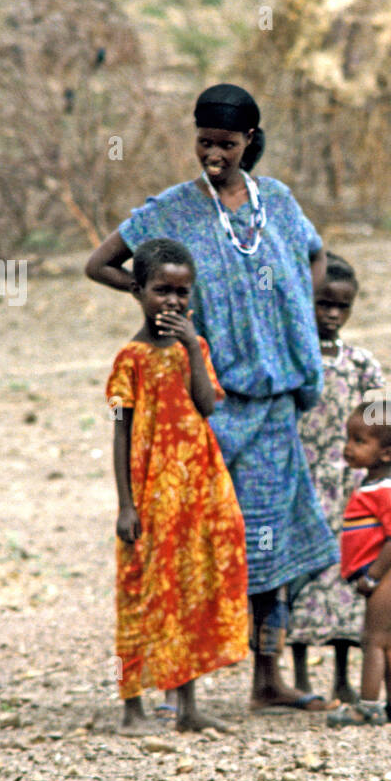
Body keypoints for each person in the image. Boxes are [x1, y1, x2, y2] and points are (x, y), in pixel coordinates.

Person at [87, 83, 339, 712]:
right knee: (196, 545)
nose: (213, 154)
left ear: (249, 140)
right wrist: (162, 303)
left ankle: (266, 679)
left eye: (226, 144)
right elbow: (101, 263)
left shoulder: (276, 201)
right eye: (204, 143)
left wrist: (296, 319)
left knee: (272, 546)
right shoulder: (171, 211)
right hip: (210, 408)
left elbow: (315, 254)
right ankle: (181, 683)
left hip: (277, 404)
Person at [106, 238, 248, 734]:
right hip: (150, 494)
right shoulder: (131, 358)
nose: (172, 301)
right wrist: (126, 505)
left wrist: (190, 344)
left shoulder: (197, 347)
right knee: (142, 591)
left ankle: (186, 706)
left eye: (181, 293)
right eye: (161, 291)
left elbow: (208, 407)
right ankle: (131, 710)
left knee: (190, 587)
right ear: (138, 290)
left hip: (200, 491)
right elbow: (121, 431)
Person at [285, 252, 391, 704]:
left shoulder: (359, 364)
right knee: (299, 578)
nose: (332, 314)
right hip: (302, 484)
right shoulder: (292, 355)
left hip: (351, 492)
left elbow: (383, 420)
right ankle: (296, 676)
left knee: (347, 578)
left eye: (342, 306)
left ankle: (341, 676)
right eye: (322, 304)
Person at [327, 403, 391, 726]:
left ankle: (367, 706)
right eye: (349, 438)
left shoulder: (389, 493)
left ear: (387, 454)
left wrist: (374, 576)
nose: (349, 447)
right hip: (386, 578)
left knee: (373, 641)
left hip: (387, 577)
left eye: (359, 441)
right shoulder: (371, 486)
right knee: (387, 641)